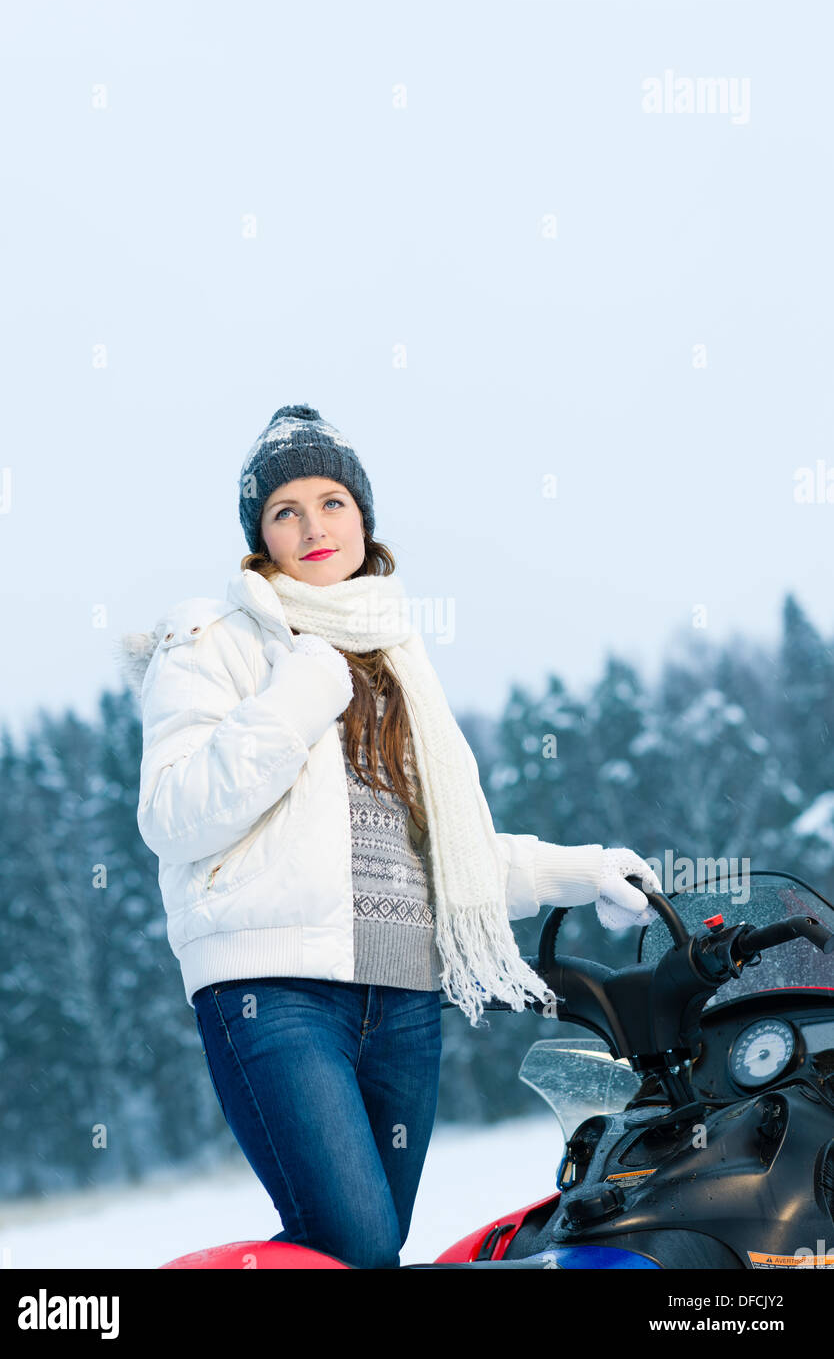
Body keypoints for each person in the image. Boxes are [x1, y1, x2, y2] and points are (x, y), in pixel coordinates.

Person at [122, 402, 662, 1269]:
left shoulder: (398, 656)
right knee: (356, 1244)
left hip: (405, 996)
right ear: (260, 536)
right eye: (285, 510)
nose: (314, 526)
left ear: (364, 516)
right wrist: (298, 695)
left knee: (371, 1253)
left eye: (332, 501)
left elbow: (452, 854)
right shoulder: (214, 641)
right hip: (277, 992)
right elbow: (177, 815)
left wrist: (584, 871)